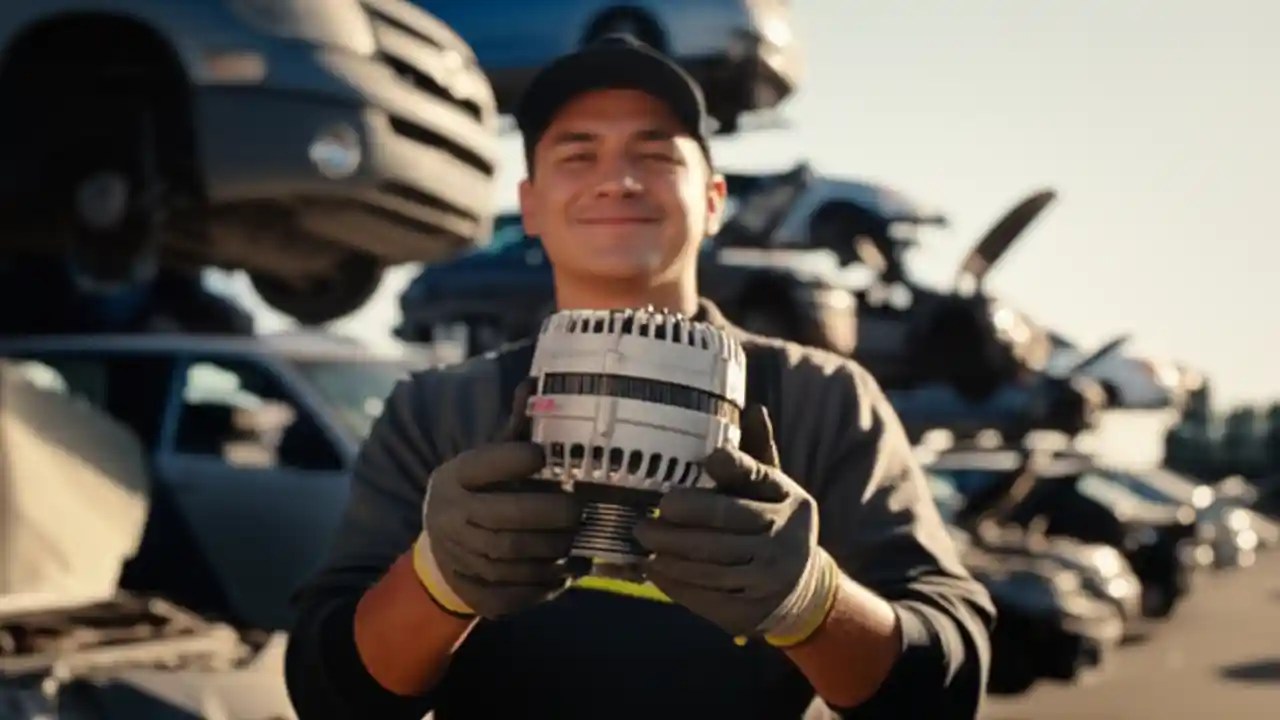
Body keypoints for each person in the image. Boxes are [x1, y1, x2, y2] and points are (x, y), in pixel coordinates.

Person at [284, 35, 995, 720]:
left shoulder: (826, 400)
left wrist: (814, 602)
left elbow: (944, 681)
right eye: (577, 153)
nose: (617, 179)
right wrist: (435, 582)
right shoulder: (435, 410)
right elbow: (332, 693)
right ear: (528, 203)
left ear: (714, 199)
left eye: (654, 153)